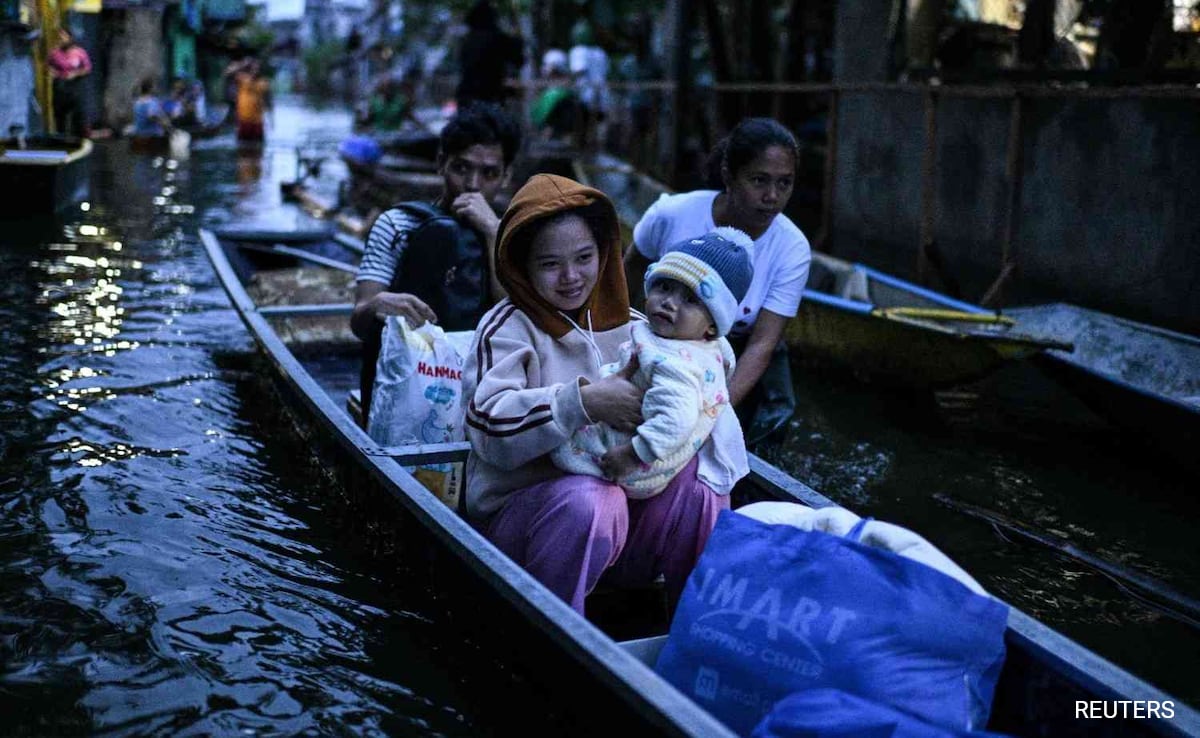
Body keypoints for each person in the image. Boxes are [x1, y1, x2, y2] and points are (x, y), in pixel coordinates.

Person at [463, 174, 748, 615]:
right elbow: (487, 427)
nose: (571, 278)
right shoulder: (507, 328)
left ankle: (695, 622)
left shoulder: (641, 326)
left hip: (622, 516)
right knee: (591, 500)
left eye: (584, 257)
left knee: (702, 484)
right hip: (530, 523)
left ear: (605, 254)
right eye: (550, 264)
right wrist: (584, 402)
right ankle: (553, 632)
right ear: (522, 266)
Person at [624, 117, 812, 446]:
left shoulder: (792, 248)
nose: (772, 196)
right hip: (662, 329)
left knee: (765, 425)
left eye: (784, 184)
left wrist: (709, 412)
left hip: (739, 343)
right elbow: (625, 280)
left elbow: (762, 344)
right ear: (729, 175)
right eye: (759, 180)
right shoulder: (672, 214)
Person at [351, 102, 521, 425]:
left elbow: (511, 318)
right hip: (402, 388)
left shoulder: (513, 236)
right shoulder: (397, 225)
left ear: (507, 176)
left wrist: (492, 233)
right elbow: (358, 322)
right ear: (441, 163)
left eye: (489, 174)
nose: (473, 185)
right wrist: (378, 304)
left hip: (480, 391)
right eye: (461, 168)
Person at [551, 228, 751, 499]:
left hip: (630, 457)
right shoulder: (709, 348)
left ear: (713, 325)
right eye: (665, 287)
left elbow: (676, 419)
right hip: (646, 447)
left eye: (690, 300)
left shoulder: (673, 362)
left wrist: (632, 455)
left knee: (557, 445)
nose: (669, 303)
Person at [454, 0, 523, 109]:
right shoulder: (497, 38)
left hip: (467, 97)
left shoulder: (467, 41)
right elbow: (518, 60)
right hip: (488, 97)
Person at [567, 20, 609, 148]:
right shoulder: (600, 52)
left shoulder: (578, 51)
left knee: (582, 133)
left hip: (585, 97)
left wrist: (566, 81)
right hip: (603, 97)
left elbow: (579, 70)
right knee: (594, 131)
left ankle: (583, 157)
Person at [48, 28, 92, 137]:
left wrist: (75, 74)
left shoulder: (79, 53)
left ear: (70, 38)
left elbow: (87, 68)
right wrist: (53, 73)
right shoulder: (54, 53)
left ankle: (79, 139)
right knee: (60, 117)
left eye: (64, 37)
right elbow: (48, 67)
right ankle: (61, 139)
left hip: (75, 88)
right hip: (60, 88)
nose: (61, 40)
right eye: (59, 38)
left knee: (78, 116)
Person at [226, 58, 272, 143]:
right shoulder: (242, 79)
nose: (255, 70)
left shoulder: (264, 83)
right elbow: (228, 73)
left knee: (257, 147)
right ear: (249, 69)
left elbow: (269, 101)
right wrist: (242, 64)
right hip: (243, 120)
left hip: (257, 121)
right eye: (253, 68)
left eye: (257, 68)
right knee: (242, 147)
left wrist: (271, 118)